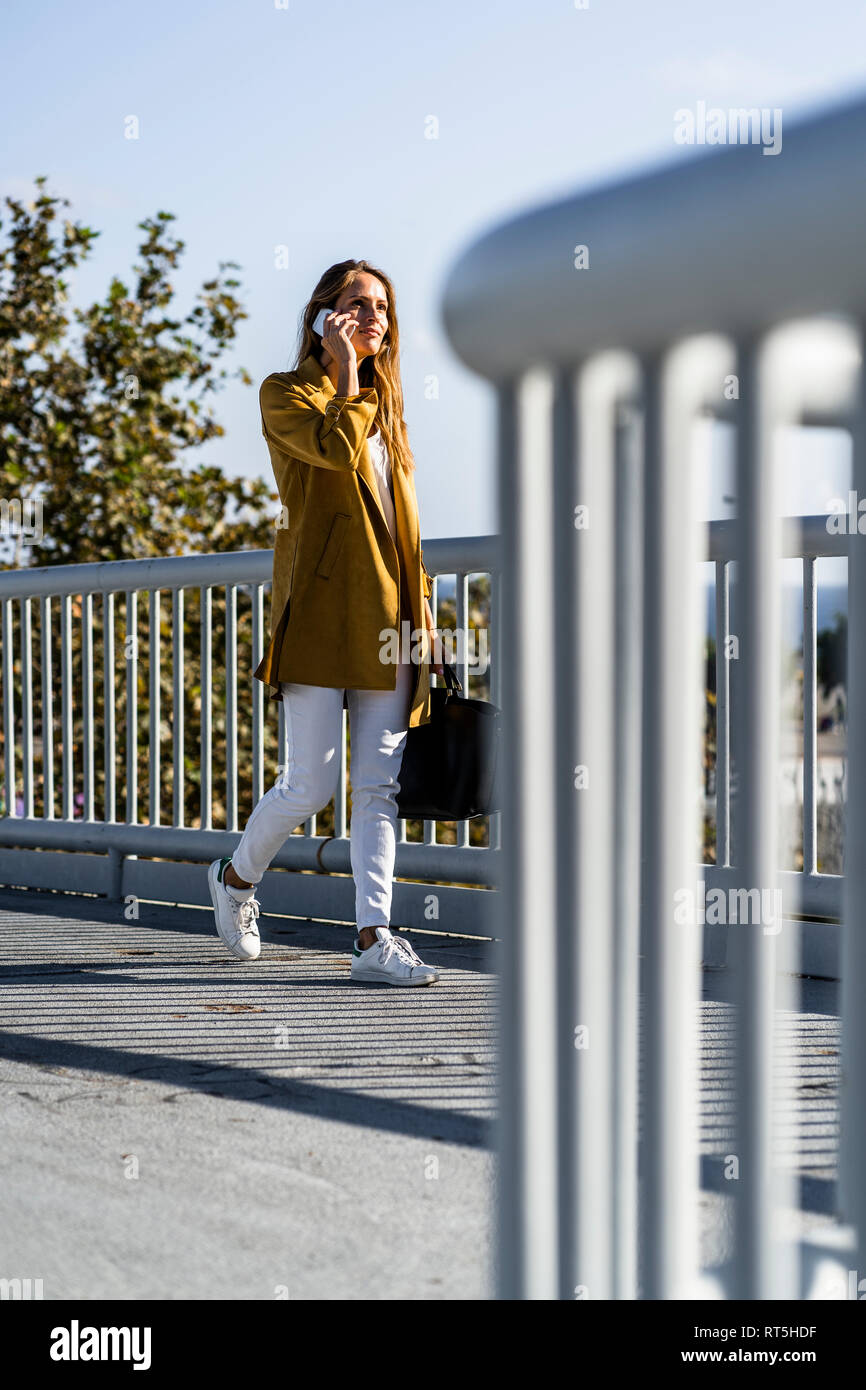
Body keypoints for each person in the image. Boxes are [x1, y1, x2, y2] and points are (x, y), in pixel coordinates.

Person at [208, 259, 444, 986]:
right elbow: (335, 451)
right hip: (318, 614)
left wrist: (425, 618)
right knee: (310, 785)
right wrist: (343, 372)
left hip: (389, 619)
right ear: (322, 316)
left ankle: (373, 938)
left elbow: (405, 530)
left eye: (381, 307)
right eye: (354, 304)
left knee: (378, 788)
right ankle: (235, 880)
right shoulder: (286, 396)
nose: (372, 316)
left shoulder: (388, 408)